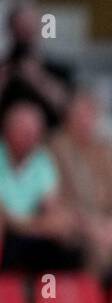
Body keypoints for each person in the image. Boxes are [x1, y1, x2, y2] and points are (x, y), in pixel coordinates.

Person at [49, 90, 112, 277]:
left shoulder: (107, 150)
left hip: (111, 226)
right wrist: (95, 229)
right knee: (98, 253)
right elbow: (59, 201)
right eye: (80, 114)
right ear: (68, 117)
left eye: (90, 114)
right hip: (78, 228)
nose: (86, 120)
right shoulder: (56, 149)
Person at [0, 101, 81, 271]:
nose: (30, 137)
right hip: (7, 236)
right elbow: (5, 217)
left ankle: (52, 296)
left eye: (34, 132)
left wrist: (41, 224)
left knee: (68, 240)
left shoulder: (42, 160)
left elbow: (52, 208)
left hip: (28, 234)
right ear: (8, 131)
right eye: (25, 132)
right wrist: (37, 225)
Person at [0, 0, 72, 129]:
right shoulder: (4, 68)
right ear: (11, 30)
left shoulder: (58, 69)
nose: (25, 36)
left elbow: (68, 108)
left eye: (29, 28)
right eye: (20, 28)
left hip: (48, 140)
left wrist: (38, 79)